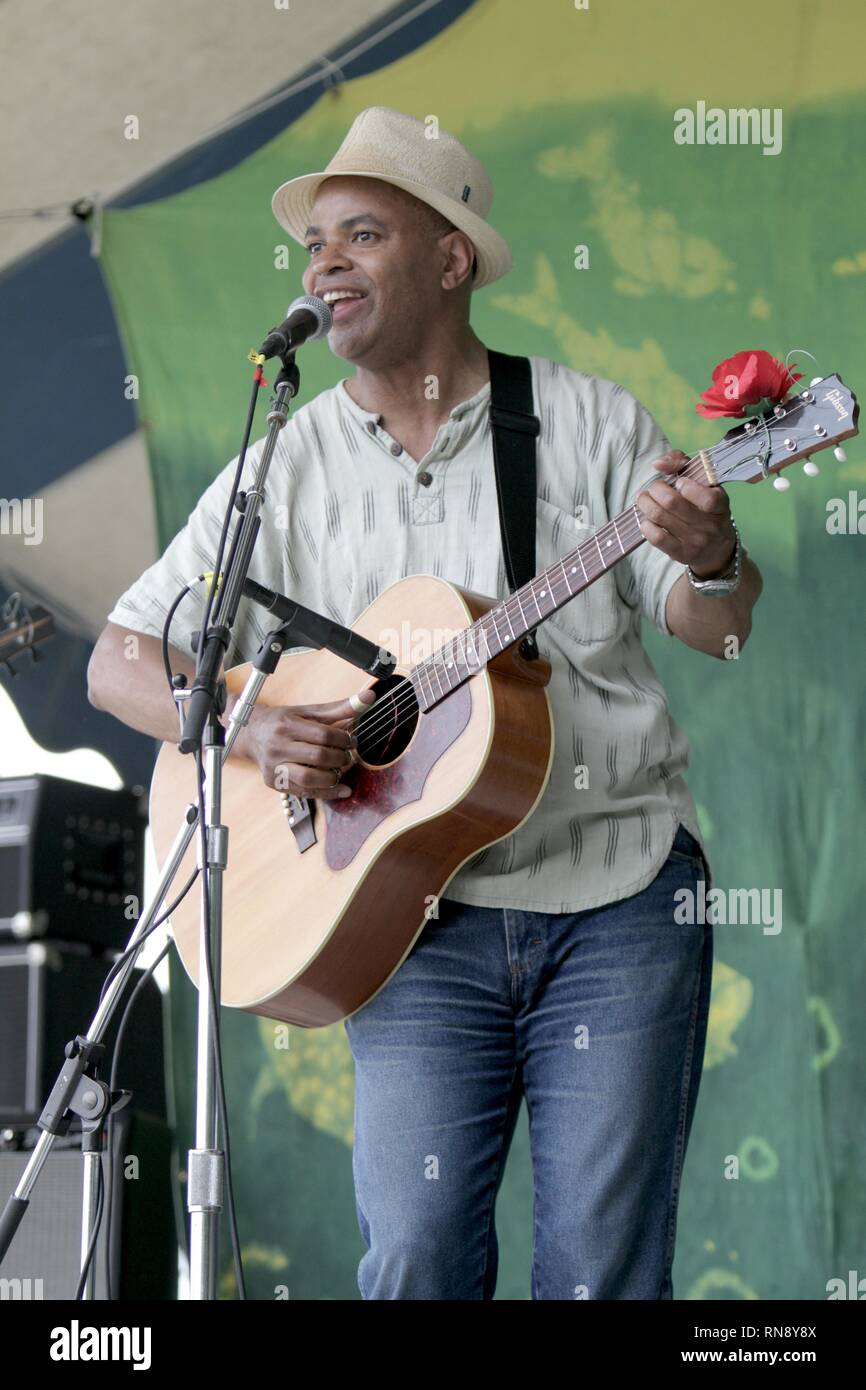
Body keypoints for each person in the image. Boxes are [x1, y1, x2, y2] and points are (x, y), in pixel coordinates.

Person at [88, 106, 763, 1300]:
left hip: (612, 894)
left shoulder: (587, 420)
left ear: (450, 259)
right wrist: (246, 719)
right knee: (410, 1264)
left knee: (598, 1275)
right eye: (313, 247)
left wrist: (709, 553)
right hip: (408, 920)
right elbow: (121, 658)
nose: (323, 264)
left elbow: (713, 622)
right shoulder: (282, 466)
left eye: (362, 234)